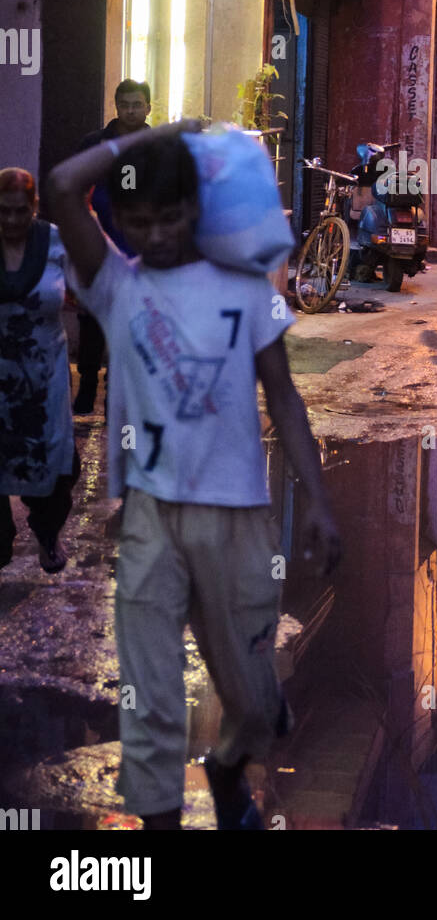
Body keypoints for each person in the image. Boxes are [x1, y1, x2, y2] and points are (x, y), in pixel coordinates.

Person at [46, 121, 340, 831]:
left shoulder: (244, 291)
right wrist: (163, 134)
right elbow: (60, 185)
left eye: (170, 217)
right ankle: (158, 825)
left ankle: (230, 762)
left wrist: (319, 505)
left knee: (256, 701)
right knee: (149, 698)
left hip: (238, 516)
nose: (156, 235)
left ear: (196, 212)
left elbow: (286, 400)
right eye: (138, 222)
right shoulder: (117, 285)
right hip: (149, 517)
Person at [0, 168, 79, 574]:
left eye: (20, 212)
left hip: (44, 379)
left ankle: (47, 535)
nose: (11, 221)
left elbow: (88, 289)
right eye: (3, 212)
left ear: (34, 208)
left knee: (55, 468)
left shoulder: (54, 242)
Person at [72, 79, 152, 415]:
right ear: (116, 106)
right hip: (98, 246)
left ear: (148, 107)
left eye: (137, 104)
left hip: (139, 251)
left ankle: (117, 395)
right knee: (91, 322)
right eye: (125, 105)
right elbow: (74, 186)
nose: (131, 111)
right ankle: (87, 385)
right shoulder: (95, 143)